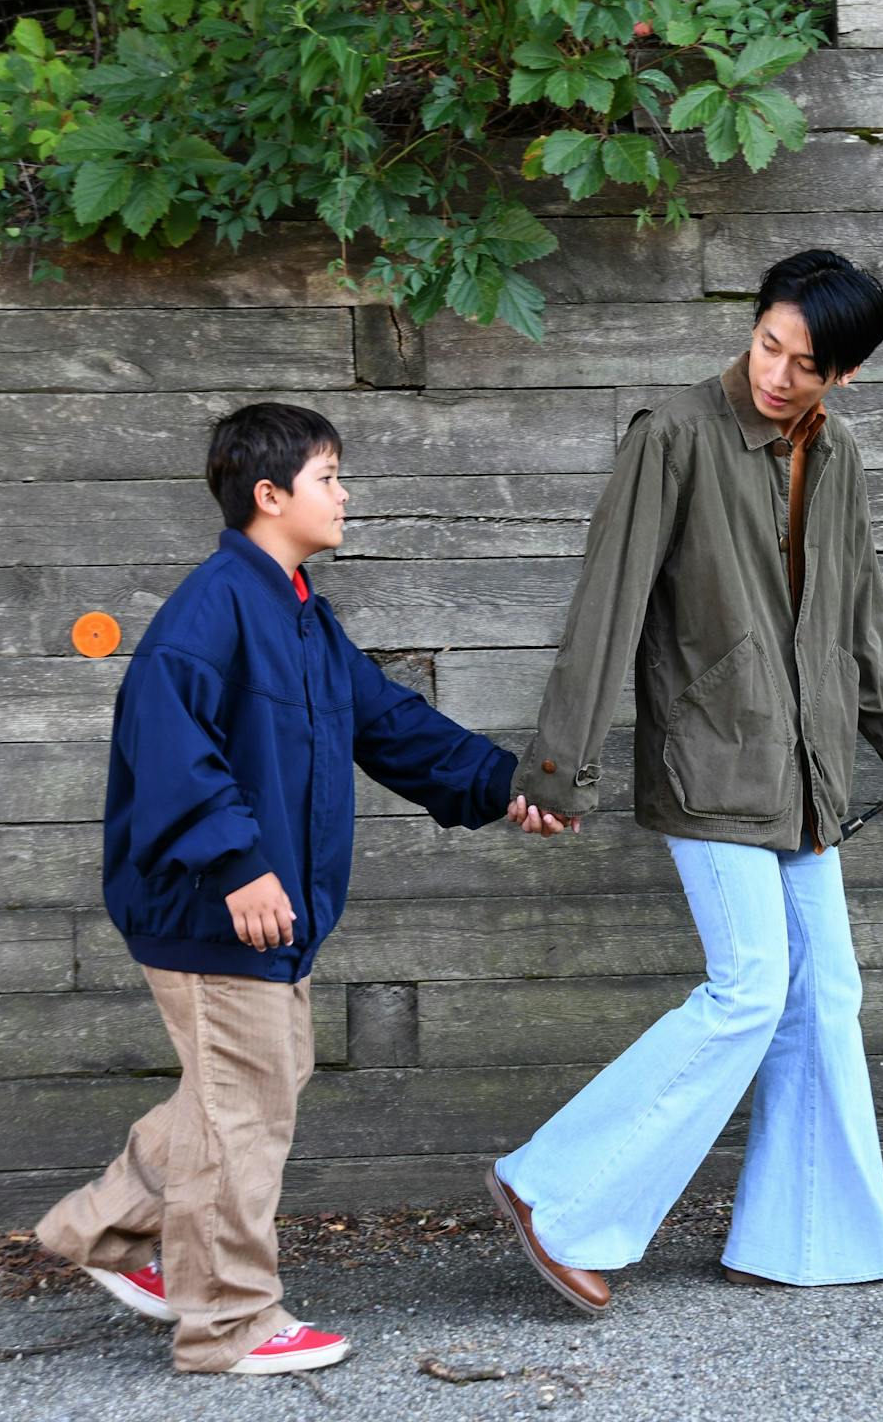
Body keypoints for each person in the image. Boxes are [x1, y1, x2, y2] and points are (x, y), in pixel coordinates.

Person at [491, 249, 883, 1311]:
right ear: (752, 327)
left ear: (845, 375)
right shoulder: (672, 436)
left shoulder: (837, 453)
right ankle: (556, 1193)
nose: (777, 374)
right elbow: (606, 607)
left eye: (805, 364)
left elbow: (860, 609)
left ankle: (808, 1235)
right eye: (768, 345)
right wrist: (559, 770)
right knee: (753, 986)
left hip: (805, 774)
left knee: (825, 994)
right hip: (709, 758)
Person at [36, 402, 530, 1375]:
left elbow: (386, 721)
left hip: (268, 907)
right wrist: (239, 865)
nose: (344, 494)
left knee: (249, 1086)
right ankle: (228, 1320)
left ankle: (104, 1229)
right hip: (215, 906)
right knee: (248, 1106)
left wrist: (504, 784)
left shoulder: (300, 611)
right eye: (328, 476)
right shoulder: (213, 608)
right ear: (270, 495)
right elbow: (170, 748)